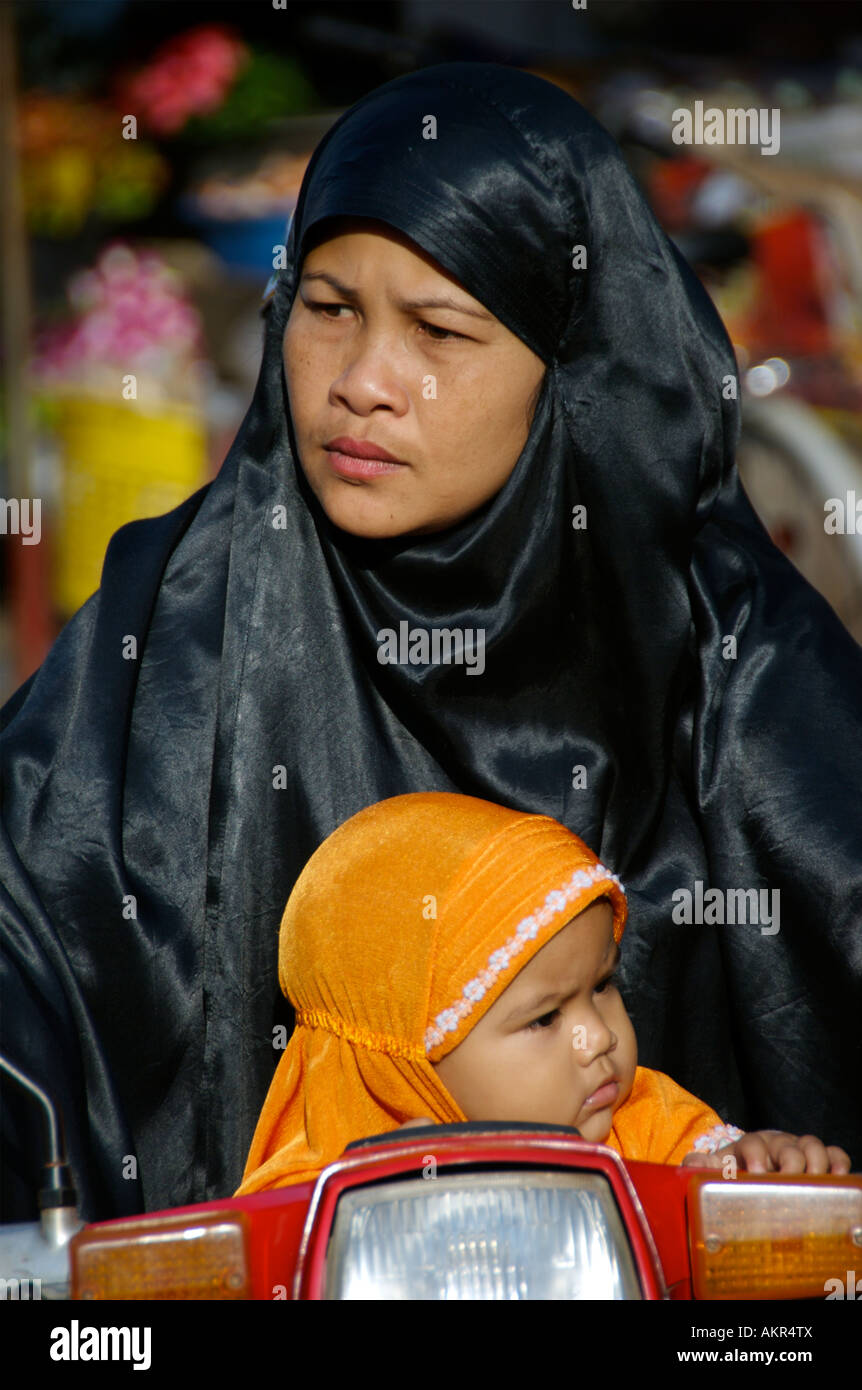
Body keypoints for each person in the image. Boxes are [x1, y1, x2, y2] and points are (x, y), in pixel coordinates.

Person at [2, 62, 861, 1222]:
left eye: (439, 330)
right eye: (327, 308)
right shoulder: (169, 626)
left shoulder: (728, 660)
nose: (361, 384)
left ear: (571, 372)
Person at [236, 792, 850, 1193]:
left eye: (603, 985)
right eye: (545, 1019)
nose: (601, 1037)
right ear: (406, 1066)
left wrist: (752, 1167)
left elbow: (711, 1188)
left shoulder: (643, 1125)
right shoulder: (317, 1199)